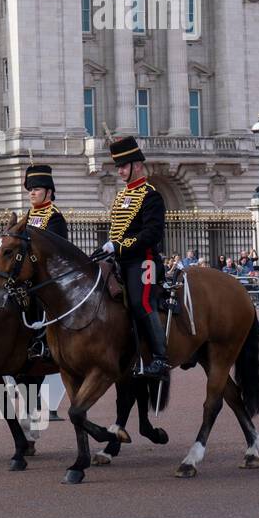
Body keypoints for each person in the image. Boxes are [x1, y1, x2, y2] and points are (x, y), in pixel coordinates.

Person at [100, 136, 169, 379]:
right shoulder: (121, 197)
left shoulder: (151, 195)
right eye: (118, 166)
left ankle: (160, 358)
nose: (120, 171)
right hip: (121, 260)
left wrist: (118, 247)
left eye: (123, 166)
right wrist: (108, 249)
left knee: (142, 302)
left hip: (144, 260)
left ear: (137, 166)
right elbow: (117, 230)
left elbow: (152, 234)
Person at [22, 163, 67, 360]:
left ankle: (43, 341)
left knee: (37, 296)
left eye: (36, 189)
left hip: (48, 272)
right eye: (30, 189)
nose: (32, 193)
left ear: (48, 192)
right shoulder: (28, 216)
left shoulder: (54, 217)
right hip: (28, 271)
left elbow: (54, 251)